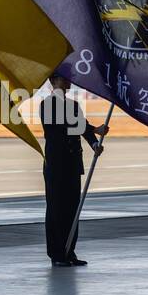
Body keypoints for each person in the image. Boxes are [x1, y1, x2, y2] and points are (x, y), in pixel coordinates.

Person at [40, 74, 108, 266]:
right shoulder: (47, 105)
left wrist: (94, 143)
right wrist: (94, 128)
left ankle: (69, 250)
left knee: (72, 208)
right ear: (53, 82)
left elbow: (83, 129)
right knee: (57, 209)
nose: (68, 81)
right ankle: (57, 253)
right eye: (63, 79)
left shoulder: (73, 105)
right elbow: (65, 126)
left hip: (72, 164)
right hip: (56, 164)